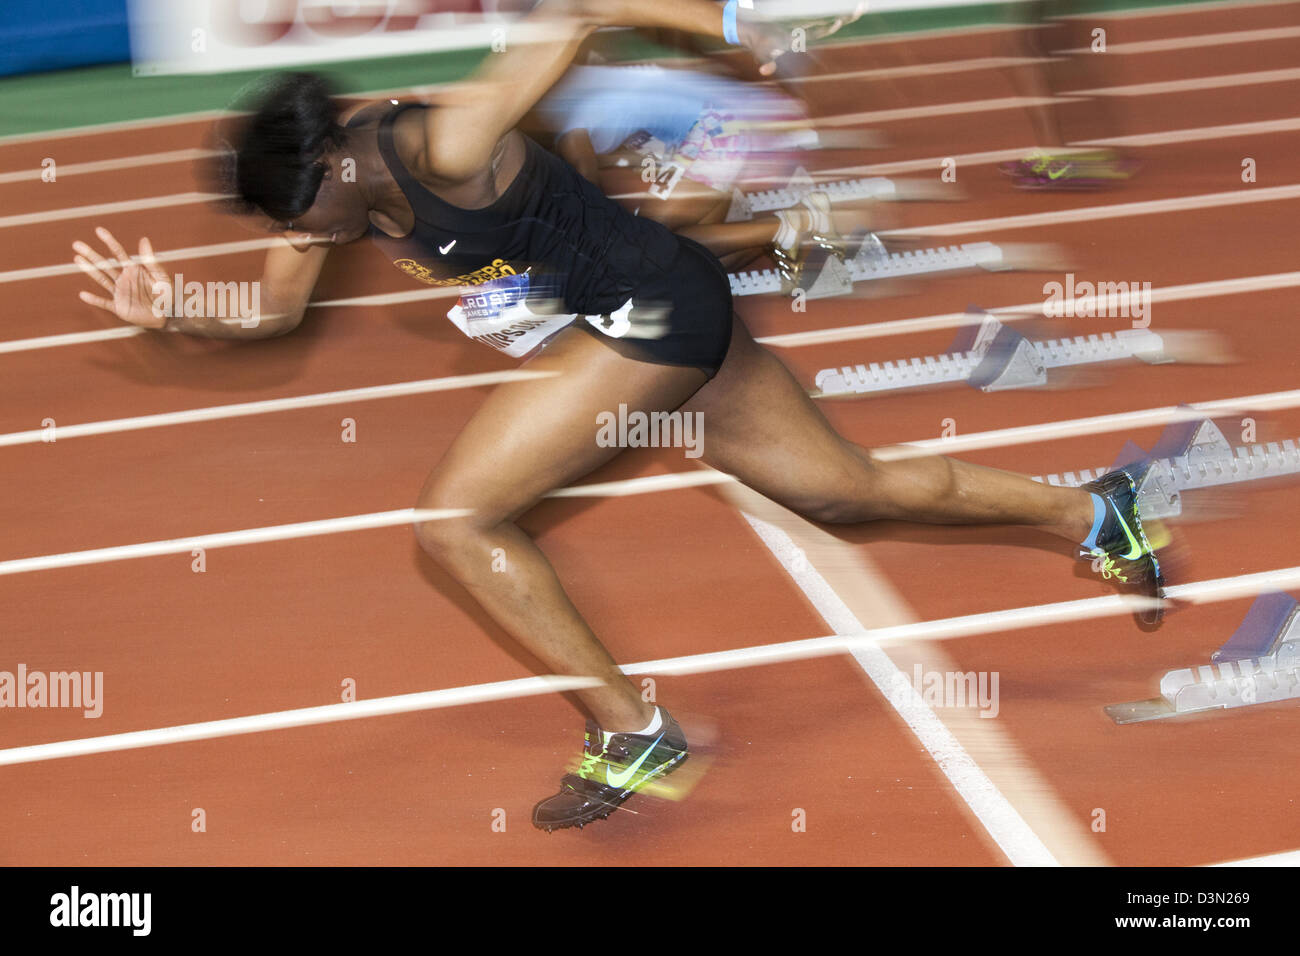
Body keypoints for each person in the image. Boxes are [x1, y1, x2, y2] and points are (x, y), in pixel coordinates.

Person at [72, 0, 1166, 832]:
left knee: (456, 520)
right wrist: (178, 309)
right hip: (659, 307)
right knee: (845, 488)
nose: (295, 235)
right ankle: (1094, 510)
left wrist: (739, 27)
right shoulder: (322, 204)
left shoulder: (446, 139)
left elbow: (577, 13)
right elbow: (268, 310)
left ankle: (633, 729)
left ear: (327, 165)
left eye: (292, 215)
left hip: (645, 310)